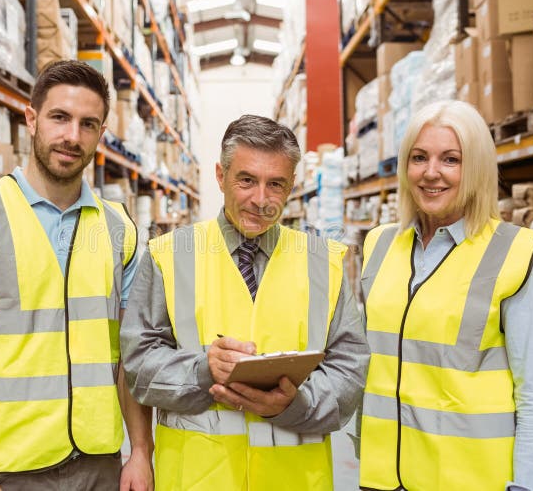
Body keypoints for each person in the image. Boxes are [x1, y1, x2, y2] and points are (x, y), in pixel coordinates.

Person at [0, 60, 153, 491]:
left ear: (101, 135)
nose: (72, 136)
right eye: (59, 118)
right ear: (31, 120)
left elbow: (131, 355)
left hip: (99, 464)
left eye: (88, 124)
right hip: (4, 471)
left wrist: (141, 450)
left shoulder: (120, 229)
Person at [120, 114, 370, 490]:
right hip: (198, 480)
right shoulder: (169, 256)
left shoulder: (323, 262)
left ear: (292, 187)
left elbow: (349, 370)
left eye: (276, 184)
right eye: (247, 180)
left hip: (294, 481)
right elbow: (138, 364)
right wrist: (204, 368)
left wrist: (294, 405)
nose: (260, 200)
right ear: (220, 176)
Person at [358, 100, 533, 491]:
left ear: (476, 169)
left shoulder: (515, 255)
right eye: (419, 158)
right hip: (383, 478)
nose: (431, 173)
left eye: (451, 159)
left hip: (470, 480)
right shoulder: (379, 245)